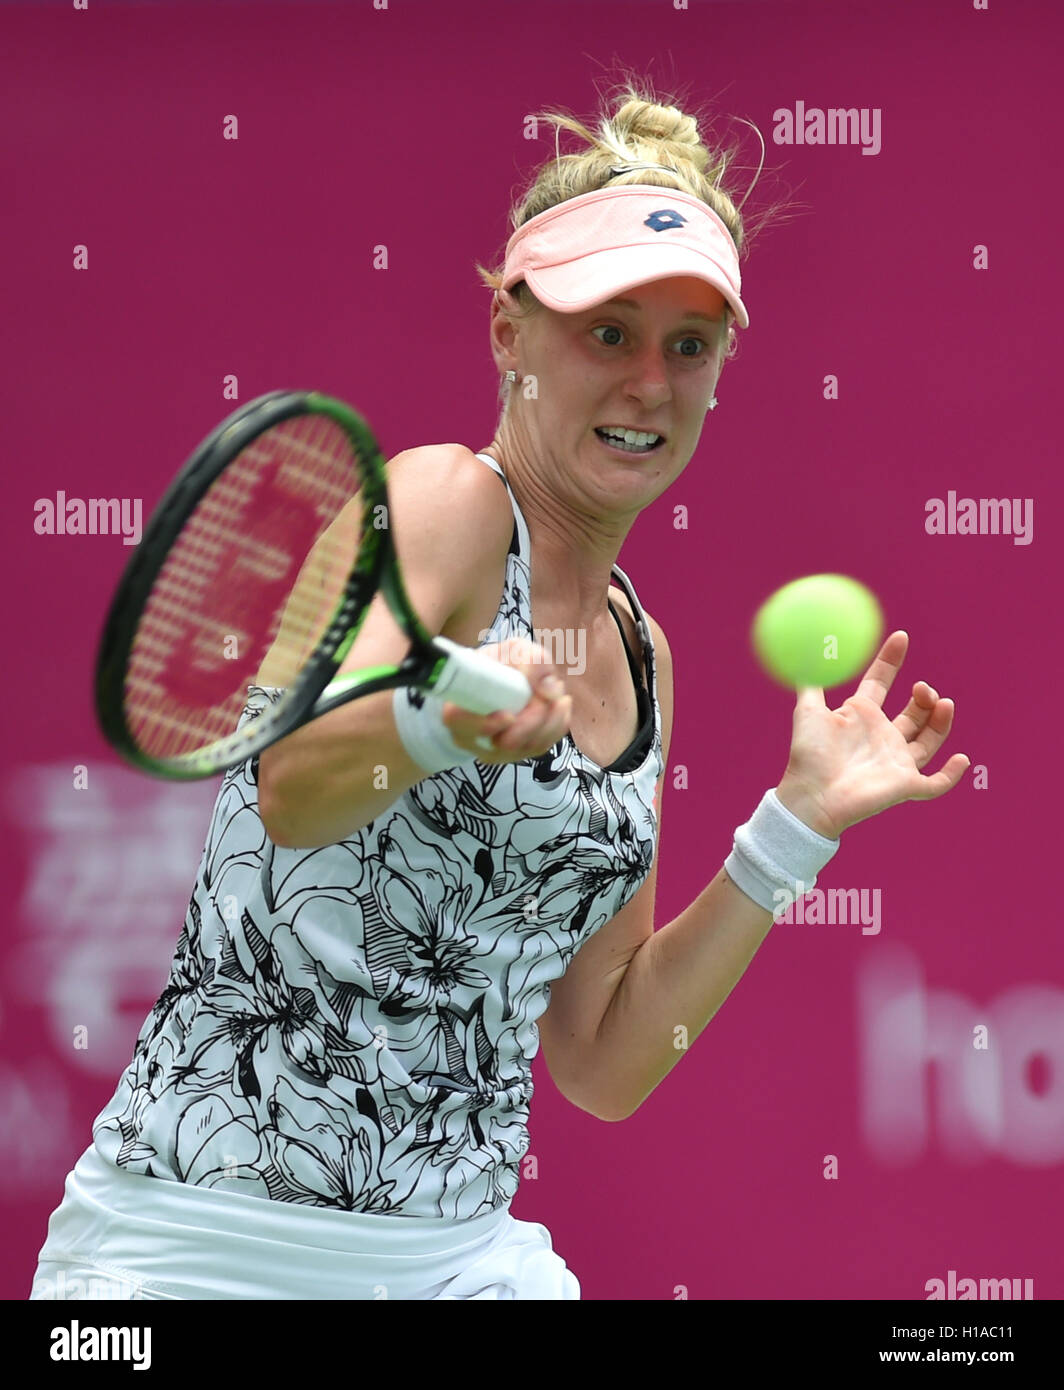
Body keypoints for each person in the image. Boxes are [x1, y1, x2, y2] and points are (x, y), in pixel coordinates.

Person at [29, 81, 969, 1302]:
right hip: (199, 1252)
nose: (647, 383)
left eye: (687, 347)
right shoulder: (443, 505)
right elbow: (290, 784)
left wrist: (788, 832)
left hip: (458, 1263)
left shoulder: (643, 656)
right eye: (606, 331)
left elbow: (603, 1059)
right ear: (507, 334)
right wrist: (433, 723)